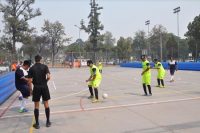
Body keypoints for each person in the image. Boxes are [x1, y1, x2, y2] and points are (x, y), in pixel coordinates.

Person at [28, 55, 51, 129]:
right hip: (44, 87)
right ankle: (47, 122)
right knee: (46, 104)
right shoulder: (45, 66)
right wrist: (45, 82)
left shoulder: (31, 68)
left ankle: (37, 123)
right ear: (40, 59)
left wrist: (31, 90)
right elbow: (49, 77)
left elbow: (30, 81)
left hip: (36, 87)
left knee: (36, 105)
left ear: (35, 60)